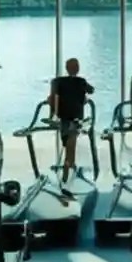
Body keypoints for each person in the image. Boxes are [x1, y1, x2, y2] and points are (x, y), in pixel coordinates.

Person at [49, 58, 95, 197]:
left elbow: (53, 96)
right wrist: (83, 97)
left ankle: (67, 175)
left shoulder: (58, 81)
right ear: (77, 69)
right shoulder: (81, 82)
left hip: (63, 118)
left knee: (68, 145)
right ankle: (66, 177)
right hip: (74, 118)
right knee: (70, 149)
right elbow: (91, 90)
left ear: (66, 68)